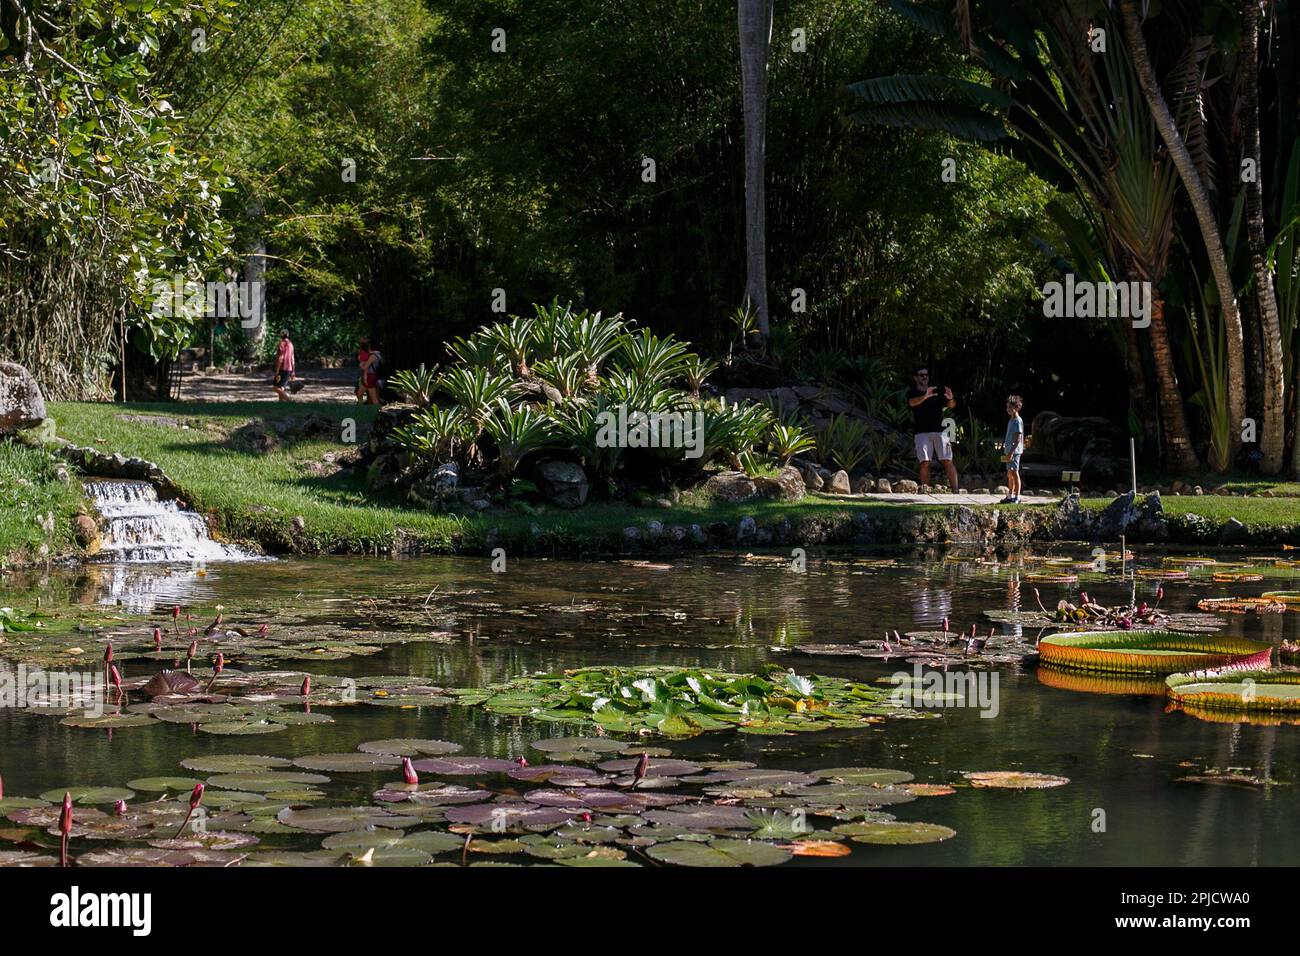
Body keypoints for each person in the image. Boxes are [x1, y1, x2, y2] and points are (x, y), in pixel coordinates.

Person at [906, 366, 959, 492]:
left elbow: (951, 405)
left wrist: (951, 398)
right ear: (915, 377)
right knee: (924, 462)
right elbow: (912, 403)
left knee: (947, 460)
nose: (925, 377)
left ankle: (956, 490)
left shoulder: (936, 391)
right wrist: (925, 396)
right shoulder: (913, 392)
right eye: (921, 375)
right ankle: (925, 490)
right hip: (921, 432)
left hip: (940, 431)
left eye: (926, 375)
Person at [1001, 394, 1025, 504]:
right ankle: (1010, 495)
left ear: (1016, 407)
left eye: (1010, 408)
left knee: (1015, 473)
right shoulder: (1010, 420)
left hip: (1014, 452)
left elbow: (1018, 439)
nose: (1008, 409)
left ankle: (1017, 497)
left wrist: (1011, 452)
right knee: (1009, 474)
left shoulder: (1017, 421)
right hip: (1009, 451)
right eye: (1007, 407)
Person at [273, 330, 296, 401]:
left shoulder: (282, 343)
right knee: (282, 387)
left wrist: (277, 372)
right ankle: (281, 403)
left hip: (282, 368)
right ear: (288, 335)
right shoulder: (291, 344)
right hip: (289, 369)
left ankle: (289, 400)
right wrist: (293, 371)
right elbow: (292, 359)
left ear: (281, 335)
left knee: (275, 388)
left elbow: (281, 358)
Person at [355, 338, 371, 403]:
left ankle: (361, 405)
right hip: (365, 373)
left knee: (358, 392)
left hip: (364, 373)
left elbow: (364, 365)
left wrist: (365, 376)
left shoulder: (363, 353)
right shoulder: (369, 352)